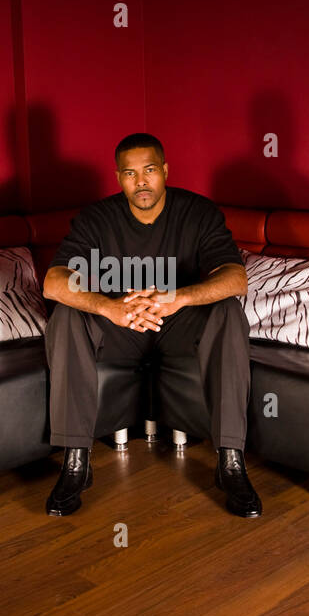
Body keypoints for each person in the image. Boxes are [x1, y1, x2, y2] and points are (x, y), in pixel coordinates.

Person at [41, 132, 261, 518]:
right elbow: (54, 281)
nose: (141, 182)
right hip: (121, 327)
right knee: (66, 315)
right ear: (118, 178)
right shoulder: (97, 218)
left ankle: (231, 462)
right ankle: (76, 462)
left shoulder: (199, 212)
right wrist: (109, 307)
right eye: (130, 173)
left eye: (149, 171)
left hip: (177, 324)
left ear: (165, 171)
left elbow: (235, 277)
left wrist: (180, 298)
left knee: (227, 310)